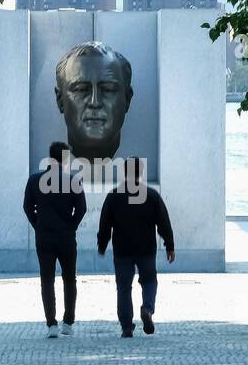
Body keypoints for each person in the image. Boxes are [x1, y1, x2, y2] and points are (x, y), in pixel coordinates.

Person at [97, 157, 175, 338]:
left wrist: (102, 244)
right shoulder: (152, 195)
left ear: (125, 172)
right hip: (146, 249)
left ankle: (126, 326)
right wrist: (169, 245)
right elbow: (164, 222)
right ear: (141, 173)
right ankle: (147, 308)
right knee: (149, 281)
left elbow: (105, 224)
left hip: (122, 250)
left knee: (123, 287)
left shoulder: (114, 196)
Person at [23, 141, 87, 338]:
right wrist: (72, 226)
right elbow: (82, 209)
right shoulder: (73, 181)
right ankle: (68, 322)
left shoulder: (35, 180)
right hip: (66, 237)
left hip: (44, 237)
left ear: (50, 157)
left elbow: (27, 207)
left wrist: (38, 225)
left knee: (47, 280)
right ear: (66, 159)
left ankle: (51, 324)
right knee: (70, 278)